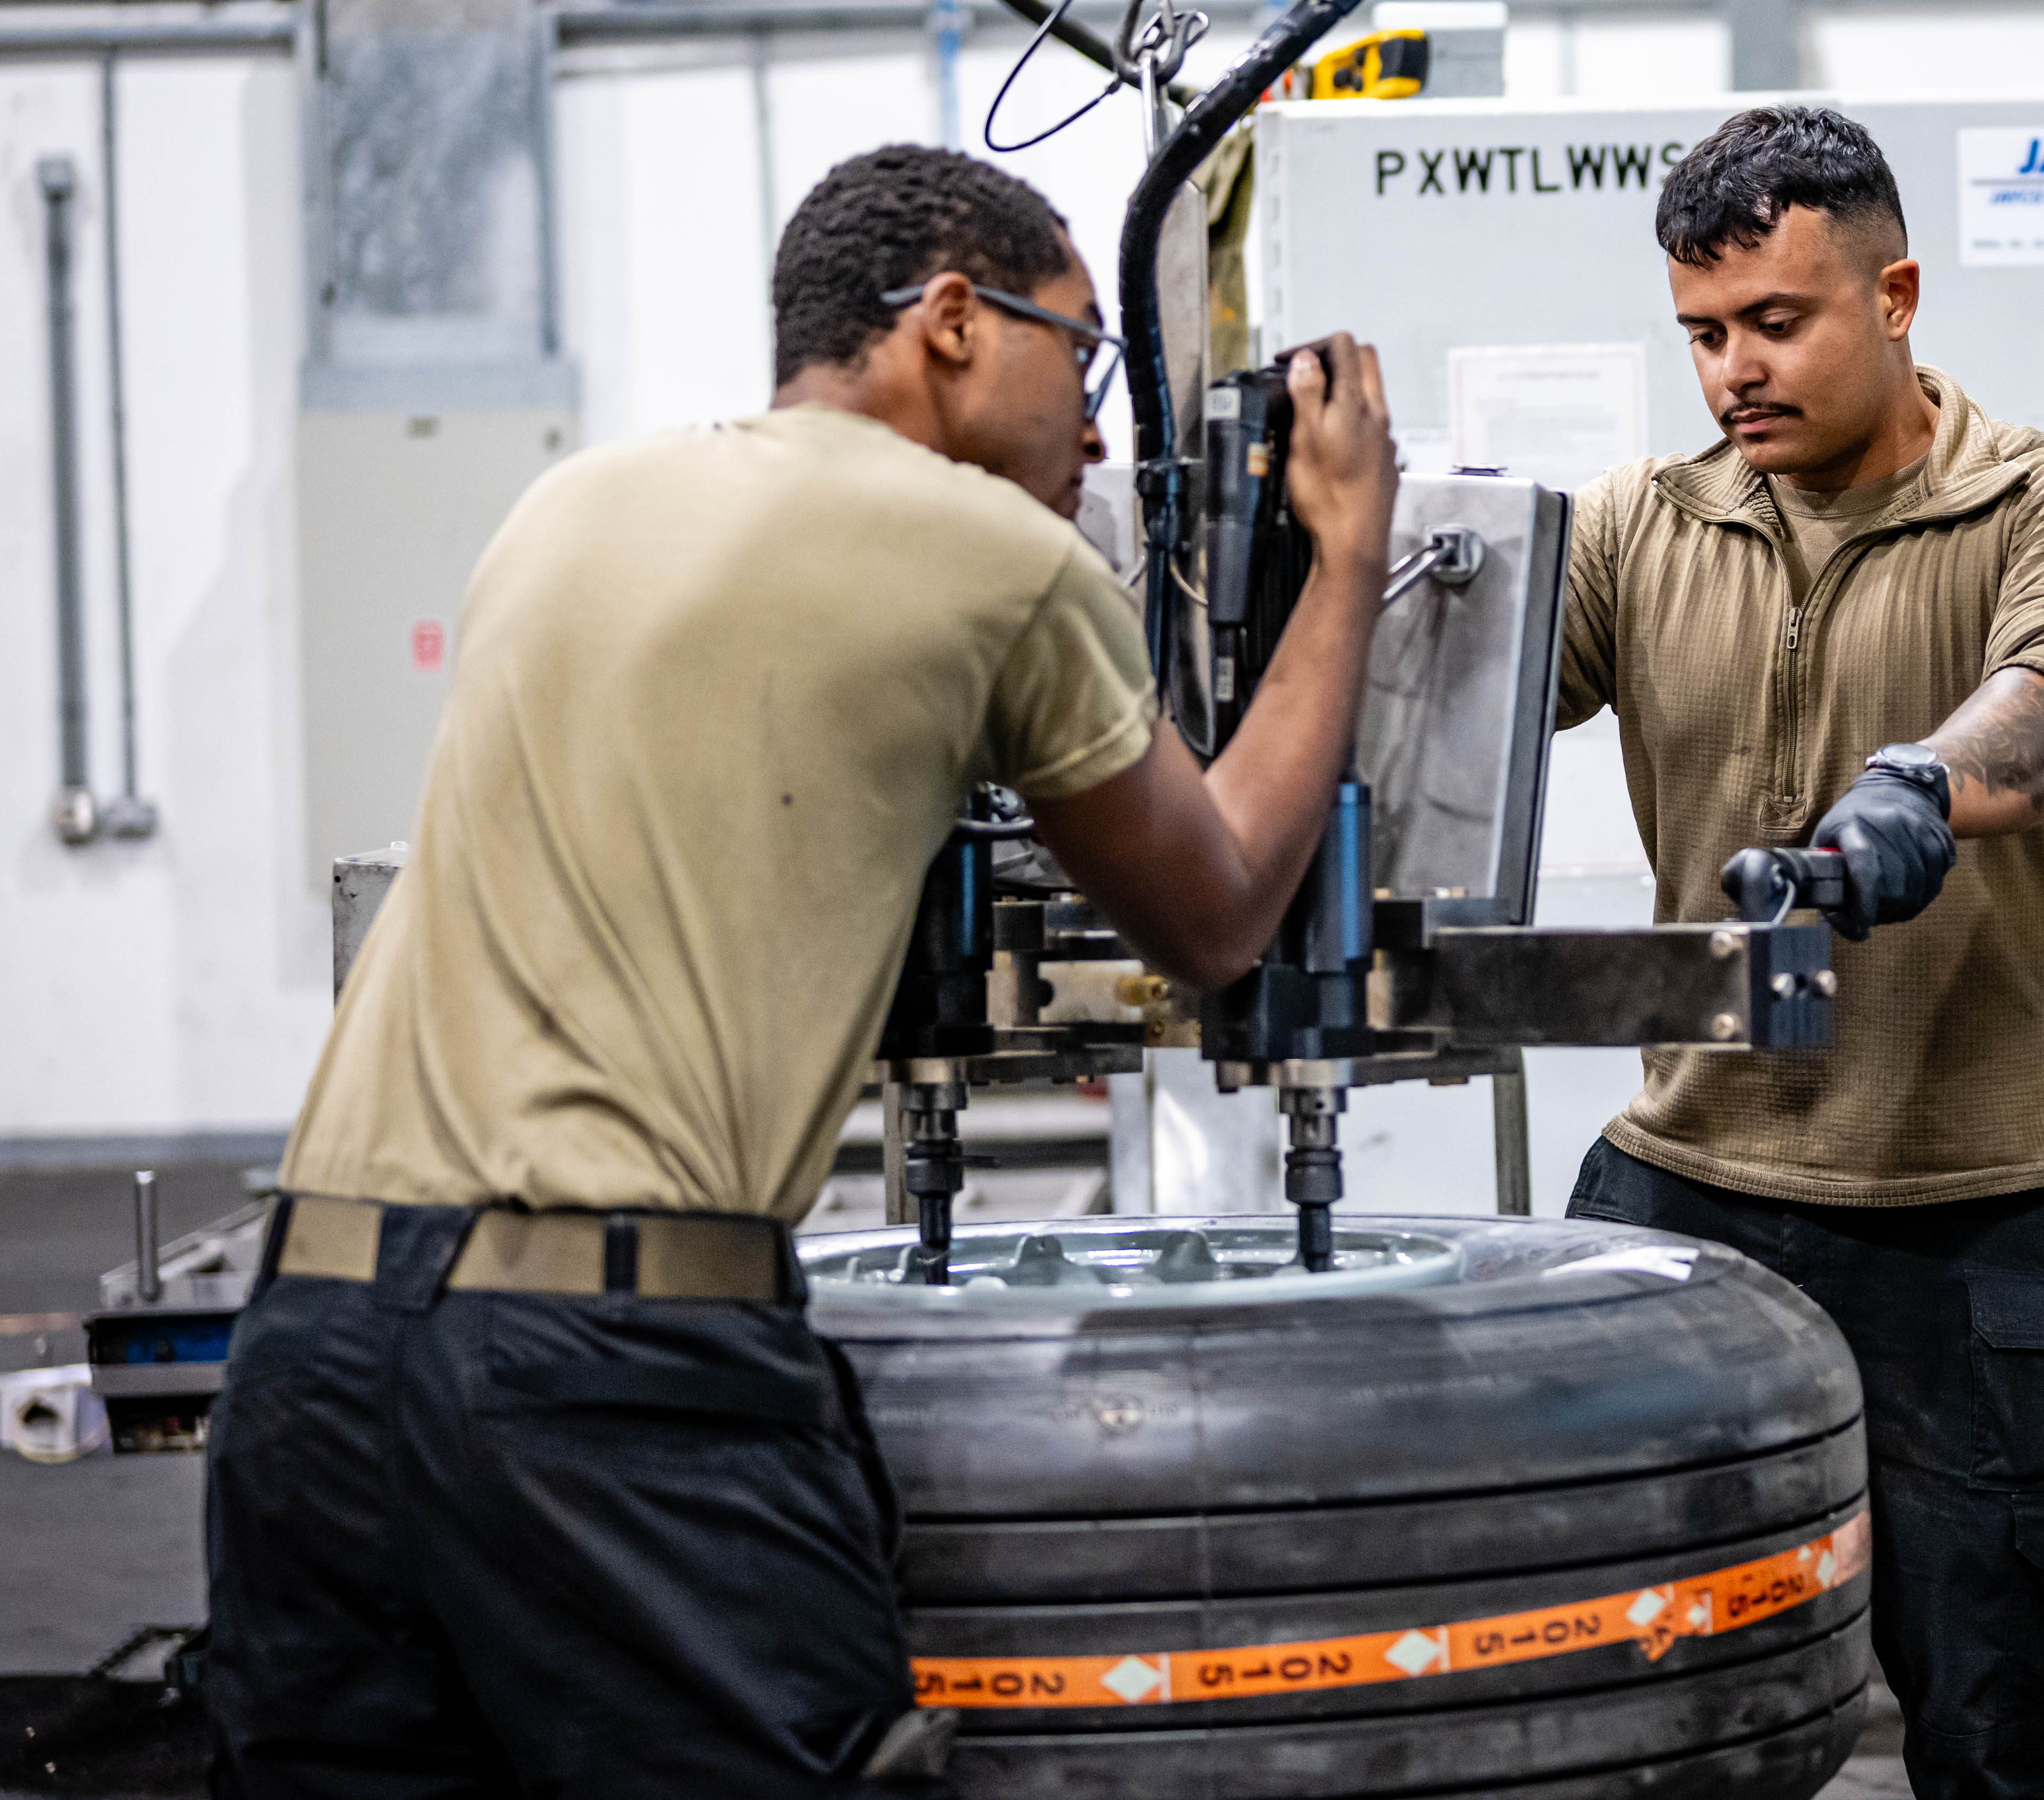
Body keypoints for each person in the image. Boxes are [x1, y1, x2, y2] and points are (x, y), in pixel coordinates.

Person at [204, 145, 1400, 1797]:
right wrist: (1345, 550)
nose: (1103, 429)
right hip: (595, 1371)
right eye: (1086, 355)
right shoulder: (997, 559)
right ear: (958, 323)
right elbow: (1214, 913)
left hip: (311, 1345)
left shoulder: (571, 500)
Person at [1556, 105, 2044, 1798]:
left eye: (1776, 322)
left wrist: (1921, 785)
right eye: (1702, 333)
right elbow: (1438, 702)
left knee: (2000, 1709)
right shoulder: (1635, 526)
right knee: (1631, 1698)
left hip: (1971, 1201)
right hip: (1688, 1183)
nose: (1731, 373)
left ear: (1895, 291)